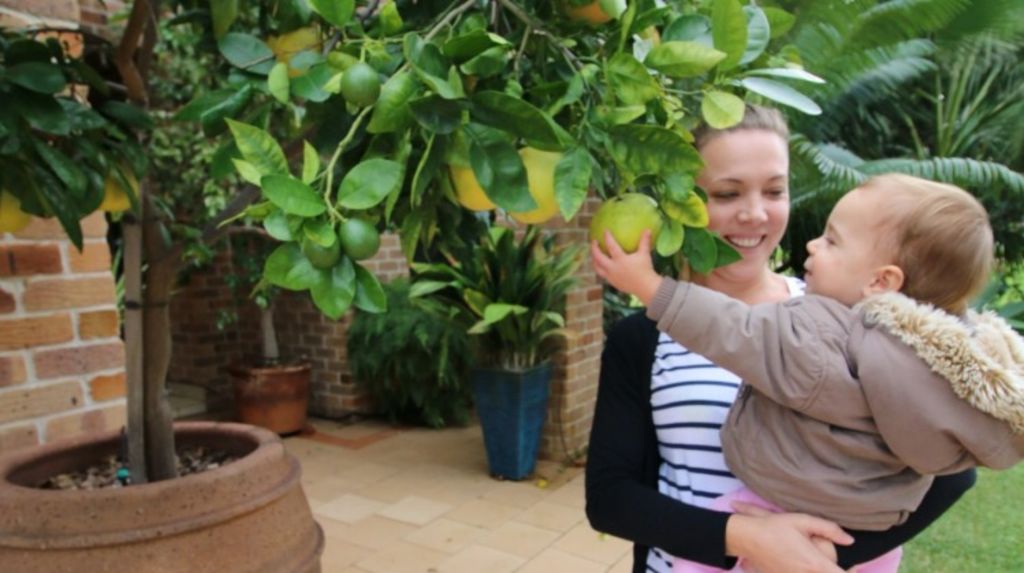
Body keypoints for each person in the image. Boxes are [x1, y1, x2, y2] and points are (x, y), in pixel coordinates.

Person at [584, 105, 978, 573]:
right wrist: (747, 538)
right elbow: (610, 499)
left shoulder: (849, 317)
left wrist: (831, 554)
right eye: (727, 193)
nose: (754, 214)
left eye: (774, 191)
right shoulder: (644, 338)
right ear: (679, 200)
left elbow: (950, 472)